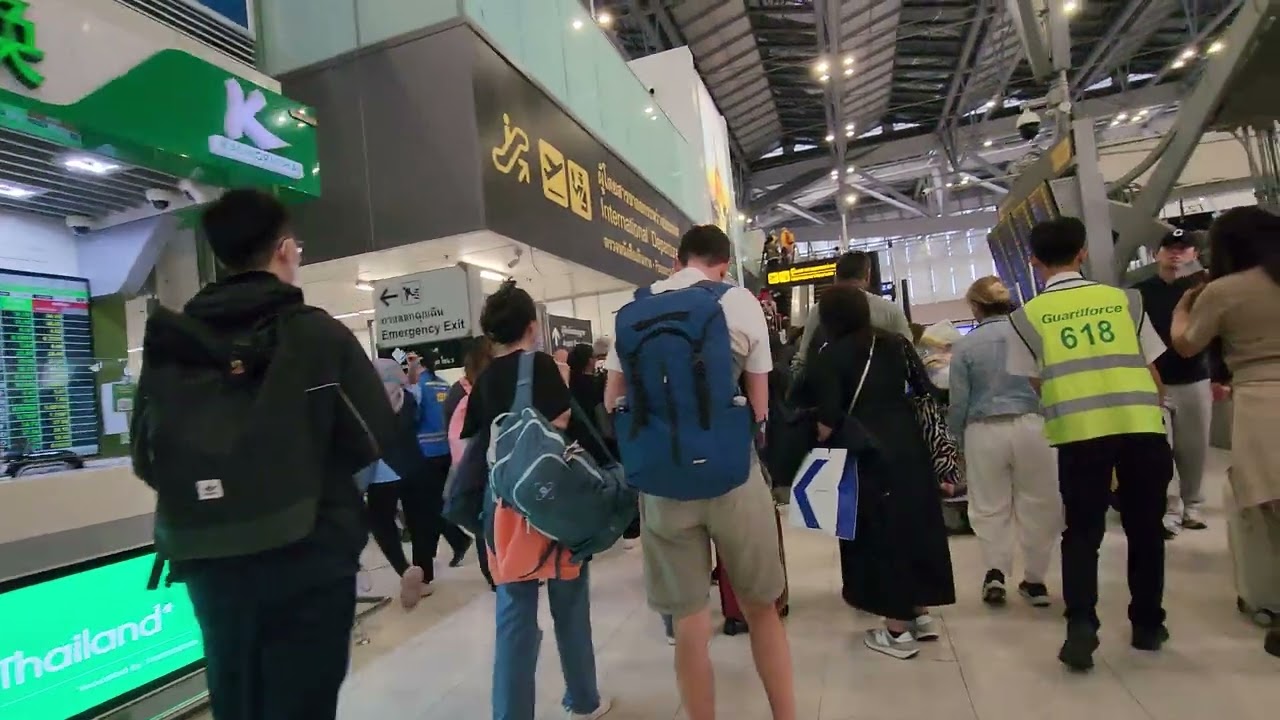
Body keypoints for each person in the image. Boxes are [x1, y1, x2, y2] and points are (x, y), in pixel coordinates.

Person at [131, 189, 399, 719]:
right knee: (303, 702)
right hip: (310, 553)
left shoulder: (175, 342)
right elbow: (376, 434)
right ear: (283, 250)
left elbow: (146, 455)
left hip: (208, 558)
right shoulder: (317, 335)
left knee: (236, 698)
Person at [604, 225, 795, 720]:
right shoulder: (740, 302)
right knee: (761, 610)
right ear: (725, 265)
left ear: (675, 260)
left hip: (664, 486)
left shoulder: (636, 310)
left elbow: (612, 402)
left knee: (688, 623)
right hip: (732, 475)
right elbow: (759, 405)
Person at [1006, 217, 1174, 672]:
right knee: (1145, 529)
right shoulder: (1125, 301)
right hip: (1141, 426)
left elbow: (1039, 382)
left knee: (1081, 534)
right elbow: (1152, 370)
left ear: (1034, 261)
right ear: (1082, 252)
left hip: (1080, 435)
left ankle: (1081, 623)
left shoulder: (1025, 318)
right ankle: (1146, 625)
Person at [459, 282, 611, 720]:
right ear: (532, 326)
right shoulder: (541, 366)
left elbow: (478, 437)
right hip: (554, 500)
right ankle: (583, 700)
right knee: (570, 604)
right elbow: (562, 420)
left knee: (514, 615)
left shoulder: (484, 380)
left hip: (505, 508)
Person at [795, 285, 956, 660]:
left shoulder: (829, 356)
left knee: (882, 537)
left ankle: (896, 633)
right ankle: (921, 614)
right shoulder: (897, 343)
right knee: (918, 524)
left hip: (867, 454)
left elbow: (829, 420)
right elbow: (926, 392)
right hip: (911, 447)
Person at [1168, 205, 1280, 659]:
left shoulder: (1225, 289)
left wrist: (1182, 308)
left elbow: (1187, 343)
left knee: (1270, 506)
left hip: (1261, 401)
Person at [949, 277, 1060, 607]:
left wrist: (956, 441)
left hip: (984, 430)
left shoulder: (966, 346)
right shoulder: (1032, 335)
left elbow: (959, 401)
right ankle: (1036, 581)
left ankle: (995, 573)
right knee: (1039, 503)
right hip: (1034, 425)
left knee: (988, 505)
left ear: (975, 306)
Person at [1135, 229, 1214, 535]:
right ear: (1157, 253)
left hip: (1195, 377)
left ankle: (1193, 504)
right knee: (1161, 451)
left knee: (1193, 449)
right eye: (1169, 248)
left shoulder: (1203, 290)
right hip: (1155, 382)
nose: (1175, 253)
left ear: (1194, 254)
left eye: (1183, 249)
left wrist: (1220, 376)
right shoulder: (1140, 292)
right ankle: (1170, 510)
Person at [358, 358, 450, 609]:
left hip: (382, 470)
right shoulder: (410, 395)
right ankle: (425, 575)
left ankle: (404, 568)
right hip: (415, 464)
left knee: (381, 522)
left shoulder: (366, 402)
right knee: (422, 520)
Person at [791, 250, 912, 376]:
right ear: (867, 276)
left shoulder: (818, 311)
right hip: (883, 390)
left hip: (830, 391)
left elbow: (802, 362)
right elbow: (909, 358)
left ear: (836, 277)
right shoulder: (890, 311)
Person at [413, 353, 474, 567]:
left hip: (425, 452)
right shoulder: (442, 384)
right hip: (445, 450)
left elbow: (414, 416)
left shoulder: (419, 386)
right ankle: (453, 541)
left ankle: (456, 540)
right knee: (439, 500)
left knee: (430, 504)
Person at [445, 338, 495, 591]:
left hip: (468, 463)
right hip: (483, 461)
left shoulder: (459, 390)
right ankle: (496, 572)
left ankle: (493, 572)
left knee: (483, 518)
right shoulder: (482, 390)